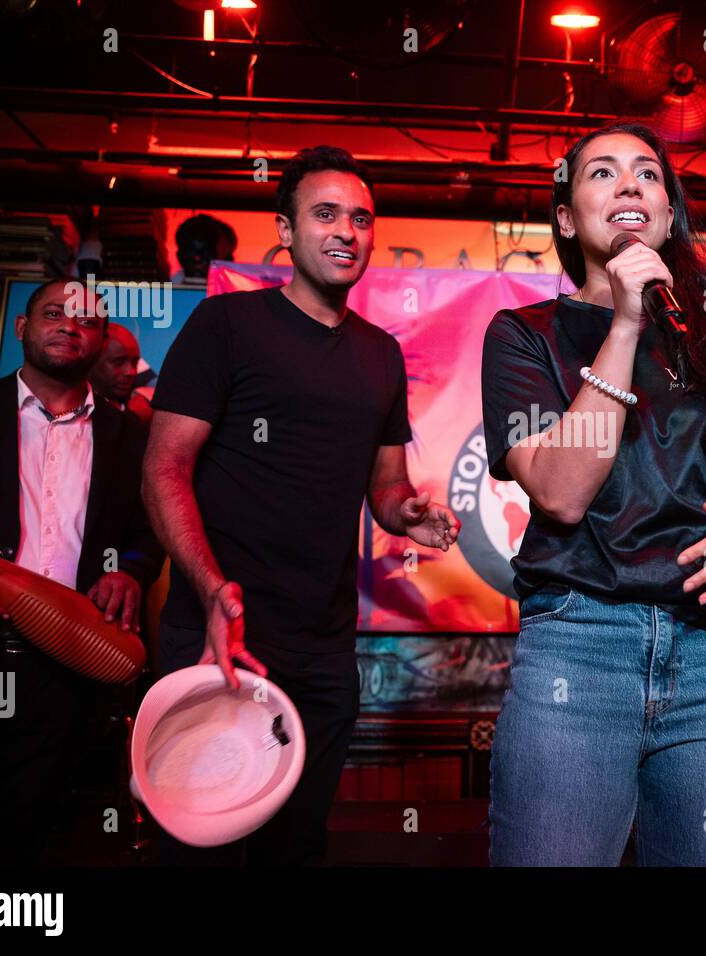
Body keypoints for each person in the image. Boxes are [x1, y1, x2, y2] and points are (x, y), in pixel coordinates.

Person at [480, 122, 706, 866]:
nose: (629, 184)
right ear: (566, 218)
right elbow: (562, 493)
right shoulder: (524, 335)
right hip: (580, 647)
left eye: (647, 175)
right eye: (601, 172)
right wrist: (627, 320)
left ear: (666, 215)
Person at [142, 145, 460, 866]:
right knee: (198, 848)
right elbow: (162, 471)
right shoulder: (227, 328)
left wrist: (409, 514)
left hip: (322, 650)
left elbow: (385, 488)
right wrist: (212, 593)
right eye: (325, 215)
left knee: (296, 845)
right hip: (220, 635)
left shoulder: (381, 354)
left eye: (361, 218)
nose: (347, 231)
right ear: (285, 231)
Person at [0, 279, 163, 865]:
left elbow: (147, 536)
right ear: (22, 328)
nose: (69, 326)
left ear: (100, 342)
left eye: (86, 321)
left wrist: (129, 572)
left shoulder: (132, 441)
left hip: (68, 669)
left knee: (37, 840)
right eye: (54, 313)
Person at [90, 322, 152, 424]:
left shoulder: (144, 400)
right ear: (91, 361)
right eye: (119, 362)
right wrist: (134, 416)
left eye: (134, 363)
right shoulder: (70, 408)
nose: (130, 372)